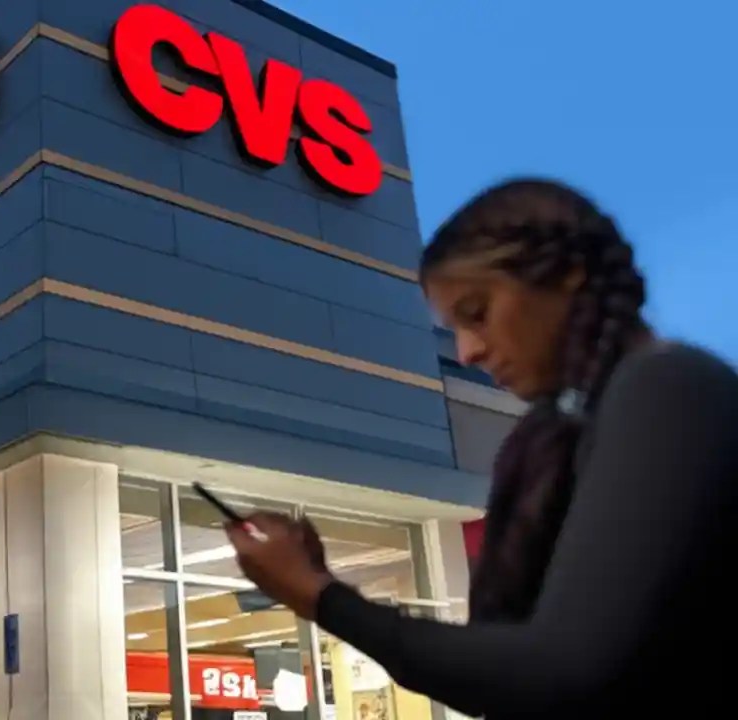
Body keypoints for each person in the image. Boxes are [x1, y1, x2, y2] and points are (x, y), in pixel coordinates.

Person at [225, 179, 738, 718]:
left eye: (477, 312)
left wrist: (321, 596)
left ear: (567, 275)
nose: (467, 352)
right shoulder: (563, 438)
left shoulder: (670, 388)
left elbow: (562, 669)